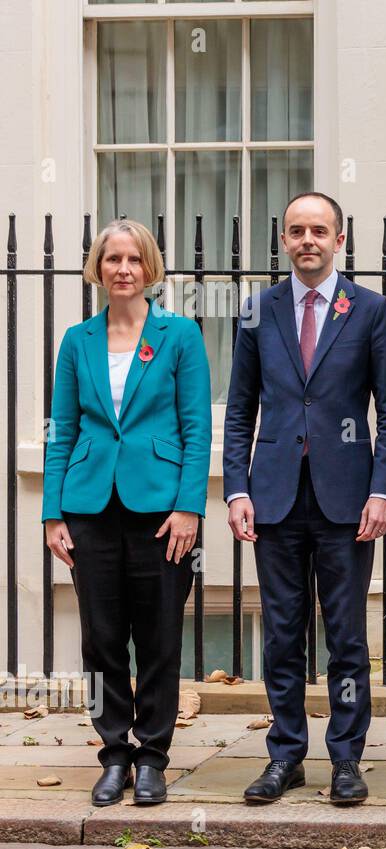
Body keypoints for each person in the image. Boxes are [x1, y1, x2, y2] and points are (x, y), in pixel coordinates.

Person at [224, 191, 386, 806]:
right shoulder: (258, 311)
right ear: (283, 240)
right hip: (273, 497)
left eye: (319, 230)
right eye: (297, 230)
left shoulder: (371, 310)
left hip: (347, 502)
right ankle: (285, 755)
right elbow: (240, 408)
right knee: (282, 634)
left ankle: (347, 759)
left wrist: (383, 491)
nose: (308, 240)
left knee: (347, 636)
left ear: (339, 239)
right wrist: (236, 489)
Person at [43, 219, 211, 807]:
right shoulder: (77, 340)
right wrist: (51, 514)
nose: (122, 269)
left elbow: (197, 428)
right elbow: (61, 430)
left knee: (160, 638)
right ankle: (113, 753)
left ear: (150, 268)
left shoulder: (179, 335)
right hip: (89, 508)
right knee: (101, 641)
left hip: (161, 511)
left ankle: (153, 757)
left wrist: (190, 508)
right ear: (97, 267)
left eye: (133, 259)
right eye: (112, 258)